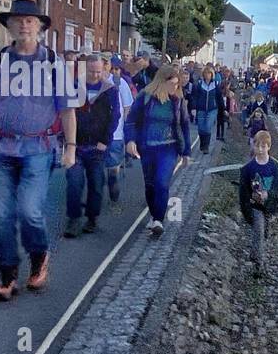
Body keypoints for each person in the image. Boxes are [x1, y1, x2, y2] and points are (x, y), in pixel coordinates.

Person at [0, 0, 77, 300]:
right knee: (3, 215)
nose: (24, 25)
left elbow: (67, 110)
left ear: (39, 27)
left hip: (39, 147)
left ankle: (39, 258)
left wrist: (71, 148)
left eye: (30, 20)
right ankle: (7, 275)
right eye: (18, 20)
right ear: (9, 26)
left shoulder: (54, 62)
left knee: (29, 210)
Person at [125, 64, 192, 238]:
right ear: (162, 82)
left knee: (162, 183)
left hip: (169, 148)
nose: (175, 87)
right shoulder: (145, 97)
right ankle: (154, 214)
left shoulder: (178, 101)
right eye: (172, 84)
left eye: (177, 84)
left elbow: (184, 125)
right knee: (150, 185)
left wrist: (186, 152)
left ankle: (158, 220)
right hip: (147, 147)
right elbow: (131, 120)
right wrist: (131, 140)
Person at [63, 53, 120, 237]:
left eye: (98, 71)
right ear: (85, 68)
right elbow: (65, 113)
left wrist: (106, 140)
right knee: (74, 183)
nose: (95, 75)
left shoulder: (110, 89)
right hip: (76, 145)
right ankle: (73, 219)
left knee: (96, 184)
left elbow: (115, 116)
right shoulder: (74, 86)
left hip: (98, 146)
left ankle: (92, 218)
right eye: (91, 71)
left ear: (103, 69)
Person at [239, 130, 278, 276]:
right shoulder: (248, 168)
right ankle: (259, 263)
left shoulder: (276, 167)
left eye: (263, 146)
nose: (260, 149)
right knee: (258, 228)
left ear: (269, 147)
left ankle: (255, 252)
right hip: (254, 206)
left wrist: (269, 194)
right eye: (257, 146)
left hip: (269, 205)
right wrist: (246, 208)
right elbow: (243, 190)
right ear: (253, 146)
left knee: (263, 231)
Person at [105, 55, 134, 212]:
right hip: (94, 136)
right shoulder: (89, 82)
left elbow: (127, 107)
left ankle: (114, 199)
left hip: (115, 134)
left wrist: (125, 128)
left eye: (105, 63)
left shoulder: (119, 82)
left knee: (112, 171)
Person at [189, 67, 222, 153]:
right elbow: (194, 97)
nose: (207, 75)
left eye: (209, 73)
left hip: (212, 109)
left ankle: (206, 147)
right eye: (206, 73)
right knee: (201, 128)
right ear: (203, 74)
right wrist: (193, 108)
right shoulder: (199, 84)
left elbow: (219, 98)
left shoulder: (215, 84)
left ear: (212, 74)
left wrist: (223, 109)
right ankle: (202, 144)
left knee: (207, 127)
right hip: (201, 109)